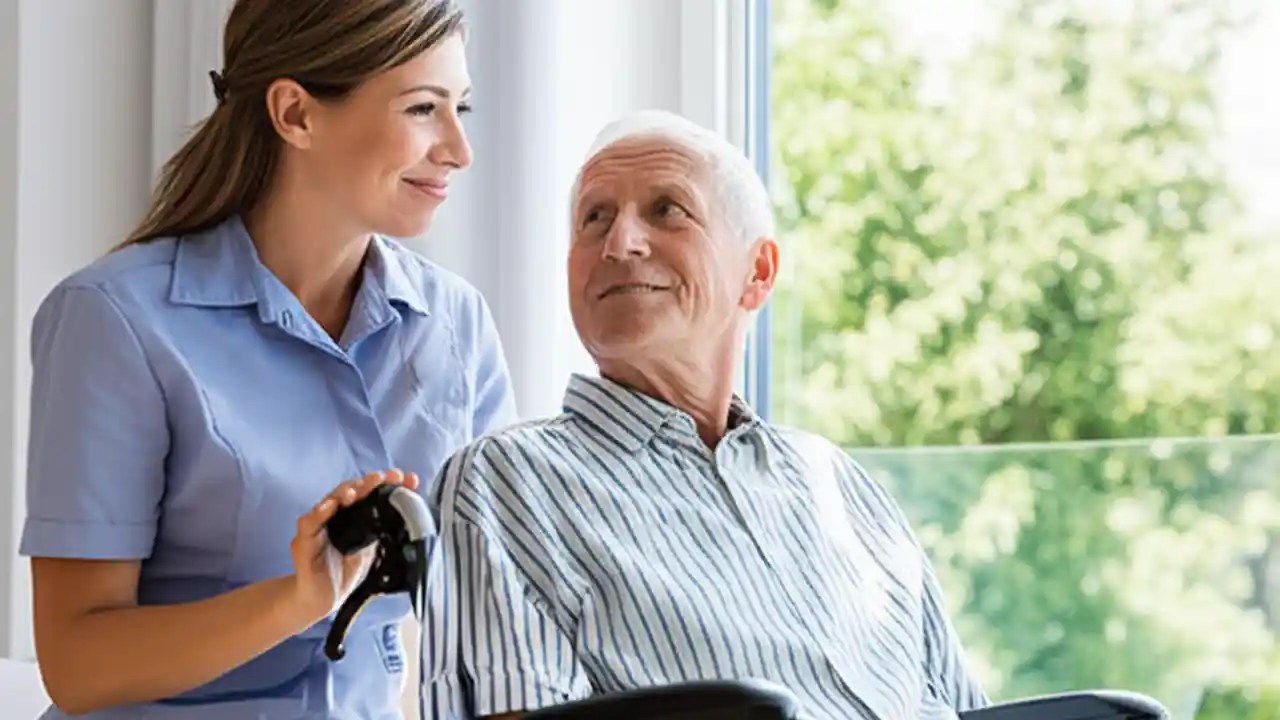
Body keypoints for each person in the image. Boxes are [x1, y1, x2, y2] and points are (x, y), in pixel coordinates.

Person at [18, 1, 516, 718]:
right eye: (422, 109)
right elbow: (77, 664)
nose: (459, 149)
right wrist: (297, 599)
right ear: (296, 114)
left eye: (460, 107)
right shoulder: (115, 321)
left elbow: (490, 594)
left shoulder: (455, 323)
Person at [423, 110, 990, 720]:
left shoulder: (840, 487)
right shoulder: (507, 483)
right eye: (595, 219)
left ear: (758, 272)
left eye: (666, 210)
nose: (620, 243)